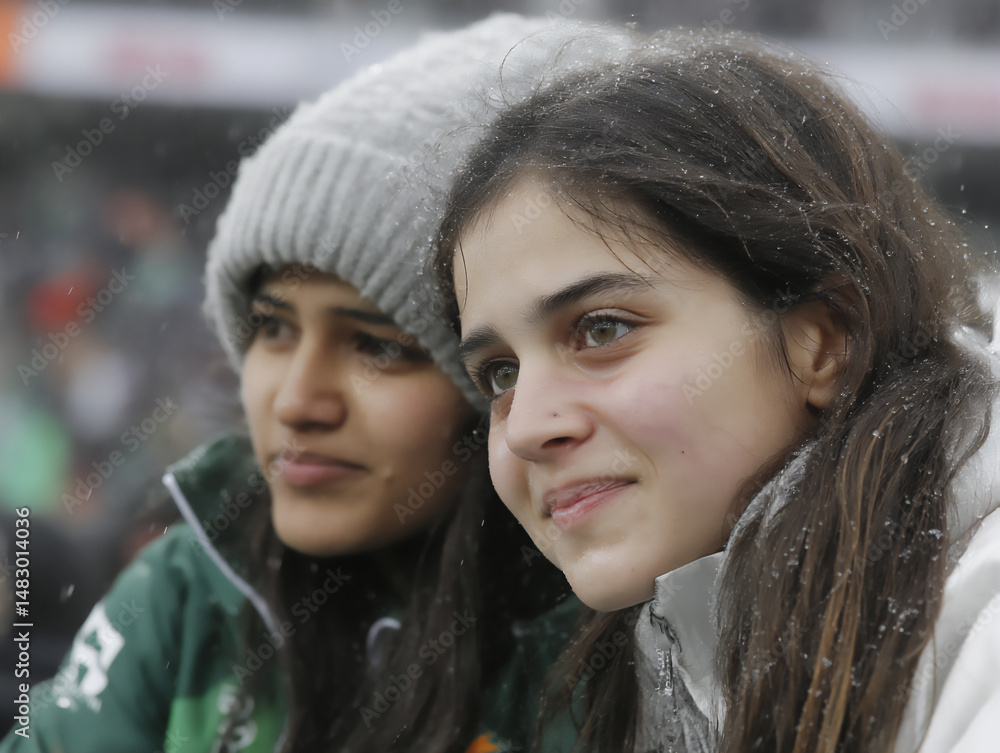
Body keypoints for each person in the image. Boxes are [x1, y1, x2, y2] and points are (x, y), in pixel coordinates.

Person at [0, 15, 633, 753]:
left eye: (377, 345)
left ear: (504, 379)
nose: (297, 401)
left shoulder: (638, 641)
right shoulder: (192, 589)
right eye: (272, 328)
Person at [433, 28, 1000, 753]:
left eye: (602, 329)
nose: (524, 428)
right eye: (501, 374)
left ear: (827, 339)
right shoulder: (660, 663)